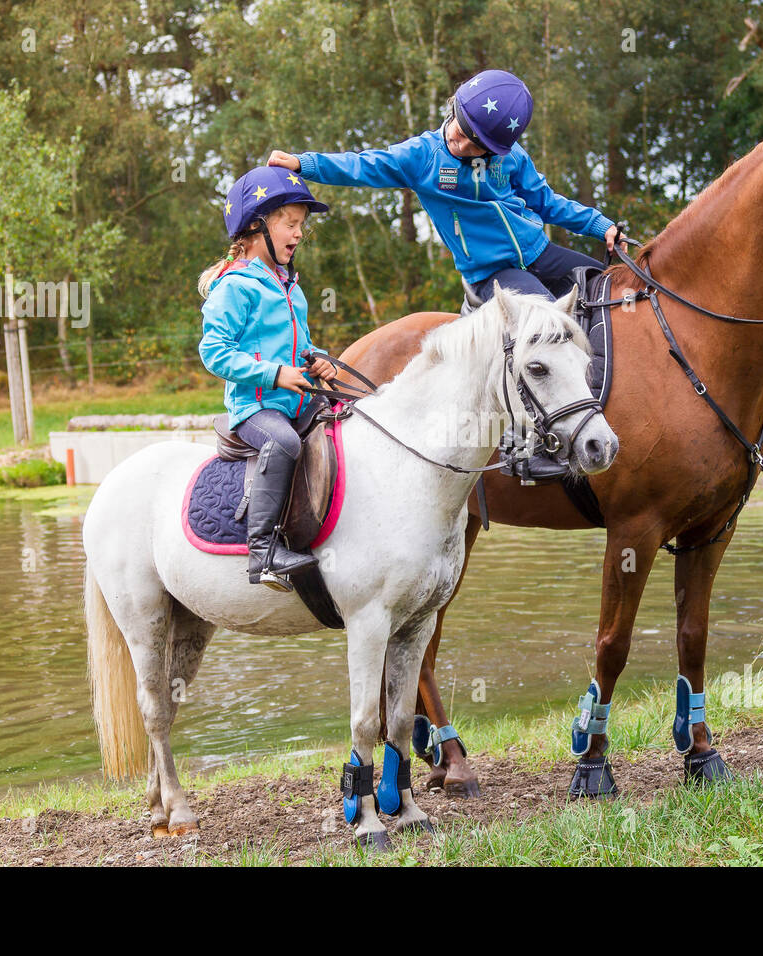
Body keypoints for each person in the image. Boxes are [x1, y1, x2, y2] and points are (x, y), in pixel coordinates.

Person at [268, 69, 620, 479]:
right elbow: (363, 166)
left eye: (476, 143)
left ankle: (592, 402)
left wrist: (601, 226)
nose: (462, 141)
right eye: (461, 128)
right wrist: (302, 164)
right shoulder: (423, 156)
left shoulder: (511, 158)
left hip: (537, 250)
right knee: (539, 322)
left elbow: (546, 201)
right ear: (453, 108)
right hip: (492, 272)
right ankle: (535, 444)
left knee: (606, 289)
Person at [197, 165, 338, 589]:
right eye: (290, 224)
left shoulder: (291, 286)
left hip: (297, 399)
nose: (298, 235)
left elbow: (302, 343)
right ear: (257, 226)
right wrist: (274, 374)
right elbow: (214, 352)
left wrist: (319, 360)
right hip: (255, 407)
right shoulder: (235, 287)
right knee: (284, 442)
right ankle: (263, 554)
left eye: (302, 227)